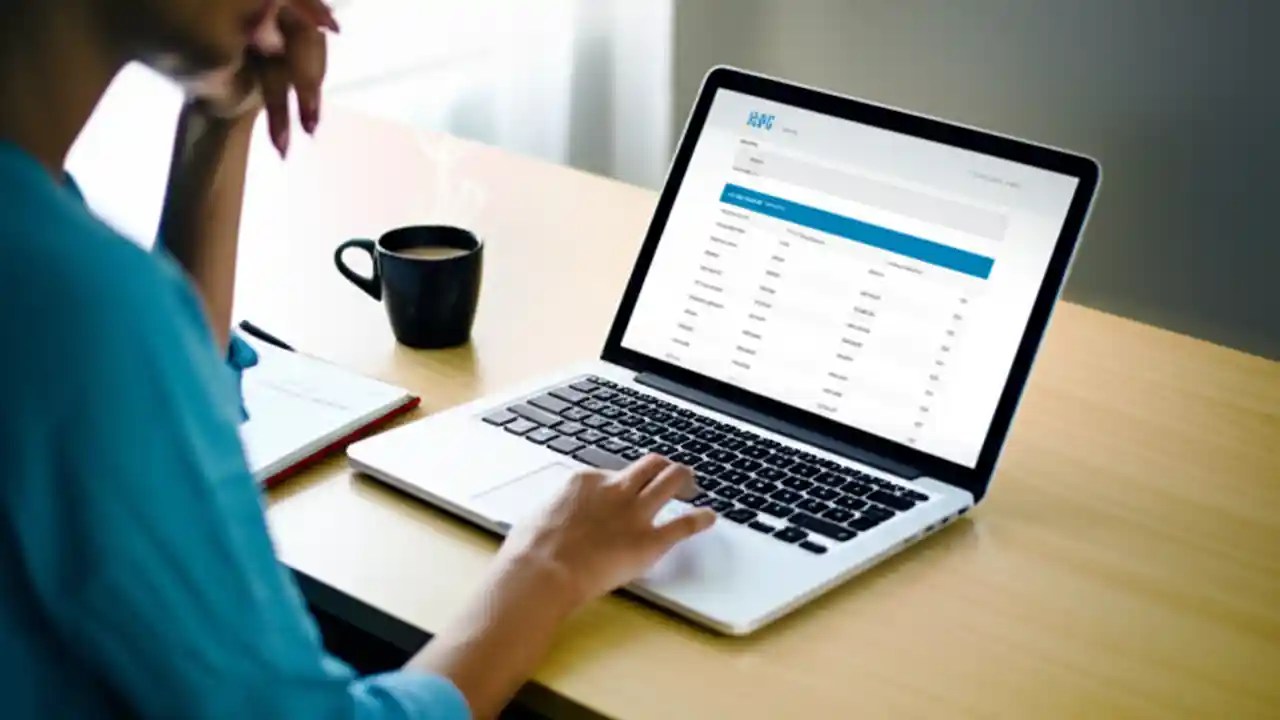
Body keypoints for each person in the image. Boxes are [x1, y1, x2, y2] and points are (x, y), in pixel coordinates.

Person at [0, 1, 716, 718]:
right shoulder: (76, 298)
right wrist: (548, 568)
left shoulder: (43, 228)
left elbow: (147, 411)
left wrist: (220, 122)